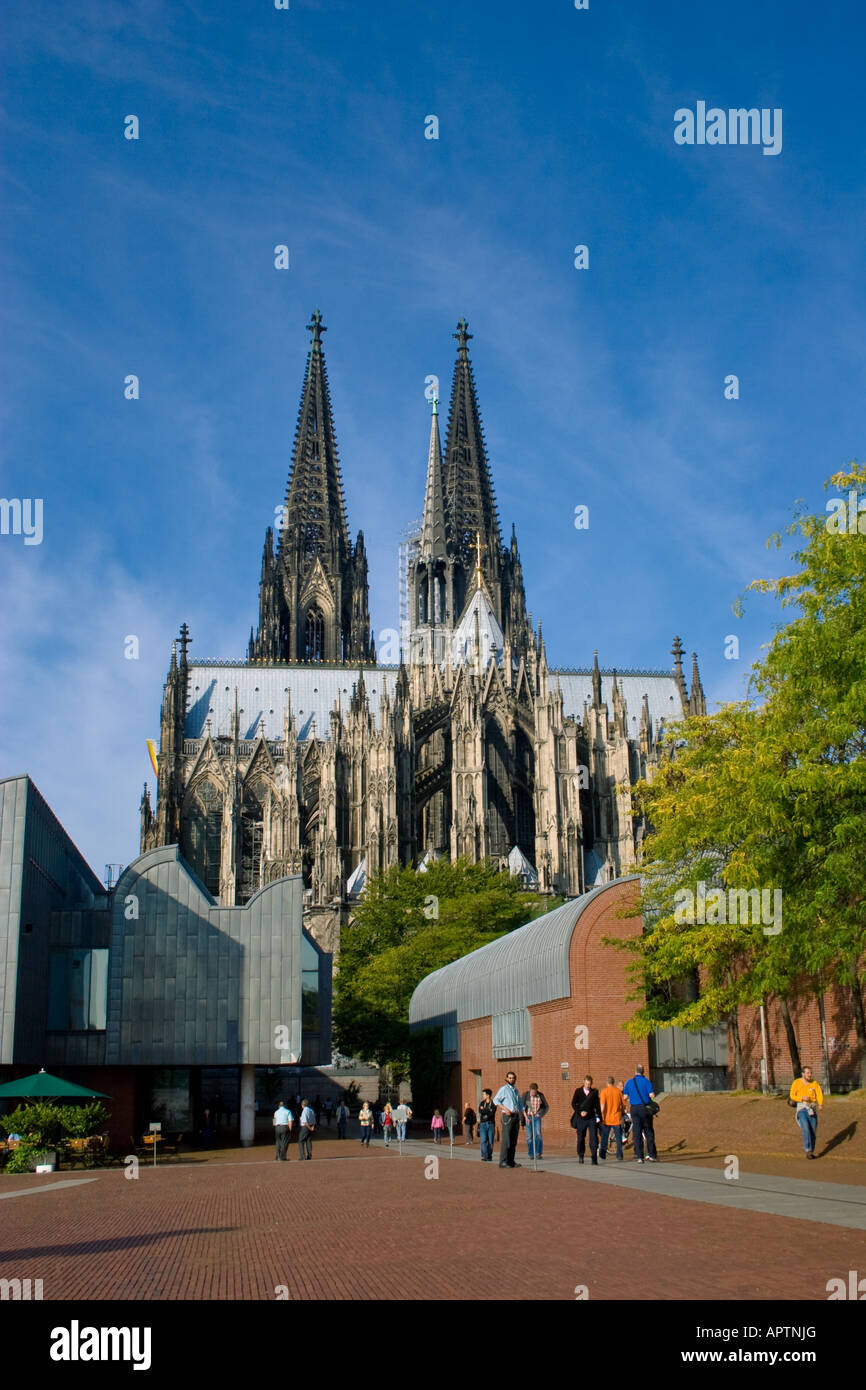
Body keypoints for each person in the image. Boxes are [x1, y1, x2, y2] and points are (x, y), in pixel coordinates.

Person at [623, 1064, 658, 1164]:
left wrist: (631, 1099)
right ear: (643, 1071)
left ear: (635, 1071)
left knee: (637, 1132)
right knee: (649, 1131)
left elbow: (625, 1097)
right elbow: (652, 1095)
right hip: (645, 1109)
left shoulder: (629, 1082)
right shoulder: (647, 1082)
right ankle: (651, 1155)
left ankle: (639, 1156)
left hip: (634, 1109)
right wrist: (652, 1100)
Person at [789, 1066, 824, 1159]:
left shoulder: (814, 1083)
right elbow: (792, 1095)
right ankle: (807, 1149)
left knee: (812, 1131)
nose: (810, 1075)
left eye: (811, 1073)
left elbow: (819, 1094)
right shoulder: (796, 1082)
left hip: (812, 1109)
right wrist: (801, 1098)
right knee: (806, 1129)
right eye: (808, 1073)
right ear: (803, 1074)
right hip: (802, 1109)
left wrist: (820, 1103)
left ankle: (811, 1151)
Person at [493, 1070, 522, 1168]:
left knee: (513, 1139)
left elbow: (519, 1103)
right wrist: (505, 1109)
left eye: (513, 1078)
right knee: (506, 1139)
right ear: (506, 1078)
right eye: (509, 1078)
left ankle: (511, 1160)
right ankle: (503, 1161)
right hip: (507, 1116)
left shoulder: (515, 1090)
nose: (511, 1079)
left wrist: (523, 1114)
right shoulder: (504, 1089)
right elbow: (495, 1100)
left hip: (515, 1115)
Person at [571, 1075, 601, 1164]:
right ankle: (581, 1155)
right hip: (581, 1118)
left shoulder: (594, 1092)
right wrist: (580, 1112)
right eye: (586, 1083)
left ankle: (594, 1157)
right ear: (583, 1082)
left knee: (593, 1138)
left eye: (589, 1084)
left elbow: (597, 1106)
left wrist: (600, 1117)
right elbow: (573, 1103)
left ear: (591, 1084)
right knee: (580, 1138)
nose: (588, 1085)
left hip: (591, 1118)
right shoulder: (578, 1091)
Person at [599, 1076, 625, 1162]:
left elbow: (602, 1106)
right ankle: (619, 1155)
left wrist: (600, 1115)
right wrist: (621, 1112)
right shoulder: (618, 1092)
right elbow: (623, 1105)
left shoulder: (604, 1092)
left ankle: (602, 1154)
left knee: (604, 1137)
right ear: (613, 1082)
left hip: (606, 1119)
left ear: (607, 1082)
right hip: (616, 1118)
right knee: (618, 1138)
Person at [521, 1082, 549, 1160]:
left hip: (536, 1117)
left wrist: (540, 1114)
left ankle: (538, 1153)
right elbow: (522, 1107)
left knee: (538, 1135)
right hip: (528, 1117)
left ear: (537, 1090)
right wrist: (525, 1117)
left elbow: (545, 1106)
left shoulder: (540, 1095)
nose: (533, 1093)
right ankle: (531, 1154)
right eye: (532, 1091)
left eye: (534, 1091)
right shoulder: (526, 1095)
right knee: (529, 1136)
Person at [477, 1089, 497, 1161]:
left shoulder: (493, 1103)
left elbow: (492, 1113)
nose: (483, 1096)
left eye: (484, 1094)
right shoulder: (482, 1103)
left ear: (488, 1095)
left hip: (491, 1124)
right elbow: (480, 1111)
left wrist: (485, 1110)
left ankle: (489, 1155)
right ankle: (484, 1155)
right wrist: (488, 1110)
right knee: (483, 1140)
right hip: (482, 1124)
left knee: (490, 1141)